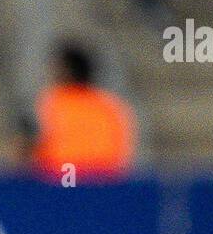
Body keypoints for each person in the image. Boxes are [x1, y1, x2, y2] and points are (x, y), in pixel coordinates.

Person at [29, 43, 137, 177]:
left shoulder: (56, 101)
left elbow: (41, 150)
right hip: (105, 183)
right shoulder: (112, 105)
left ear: (66, 71)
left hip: (61, 182)